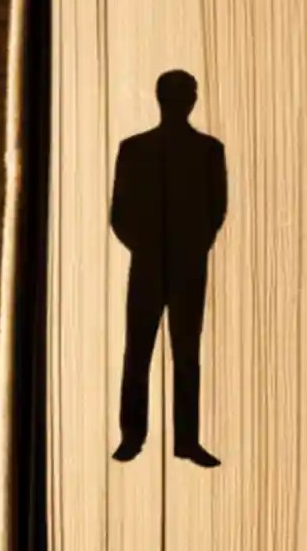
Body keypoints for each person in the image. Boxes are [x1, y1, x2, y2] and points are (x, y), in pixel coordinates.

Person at [109, 70, 226, 468]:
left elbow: (215, 210)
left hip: (179, 262)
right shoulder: (135, 149)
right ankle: (134, 436)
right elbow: (119, 214)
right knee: (143, 351)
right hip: (156, 262)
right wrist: (149, 247)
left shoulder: (209, 151)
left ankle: (183, 440)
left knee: (182, 351)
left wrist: (183, 248)